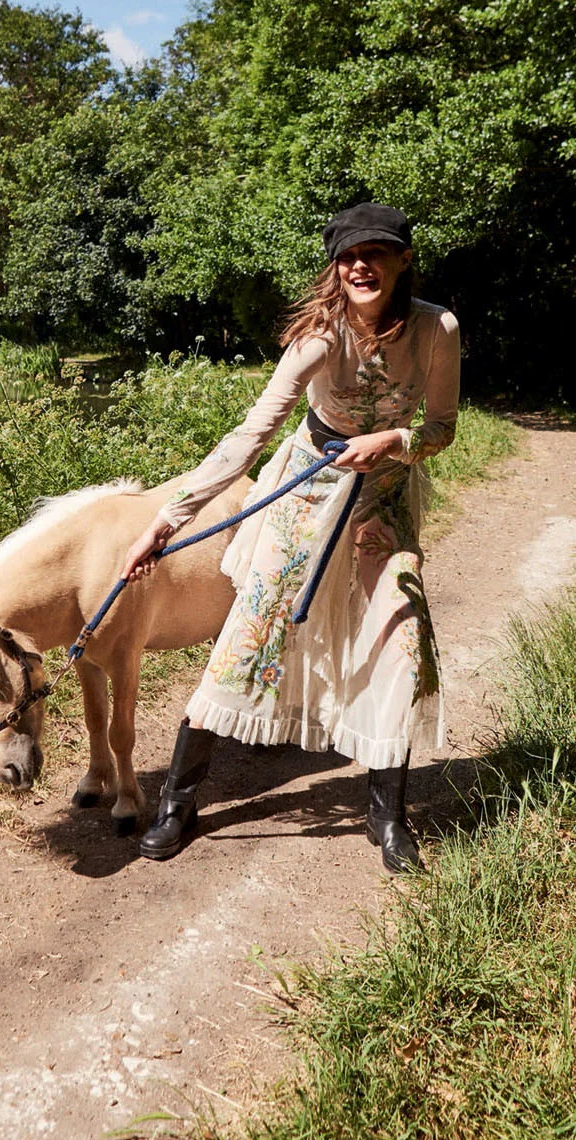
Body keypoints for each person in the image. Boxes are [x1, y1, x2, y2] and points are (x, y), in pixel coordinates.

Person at [121, 202, 460, 869]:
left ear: (403, 260)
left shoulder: (435, 328)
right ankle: (178, 800)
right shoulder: (319, 336)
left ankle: (386, 815)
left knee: (401, 630)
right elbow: (248, 438)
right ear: (336, 266)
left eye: (376, 252)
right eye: (348, 255)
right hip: (304, 494)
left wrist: (393, 438)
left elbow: (441, 428)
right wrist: (165, 522)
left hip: (380, 500)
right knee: (250, 635)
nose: (361, 265)